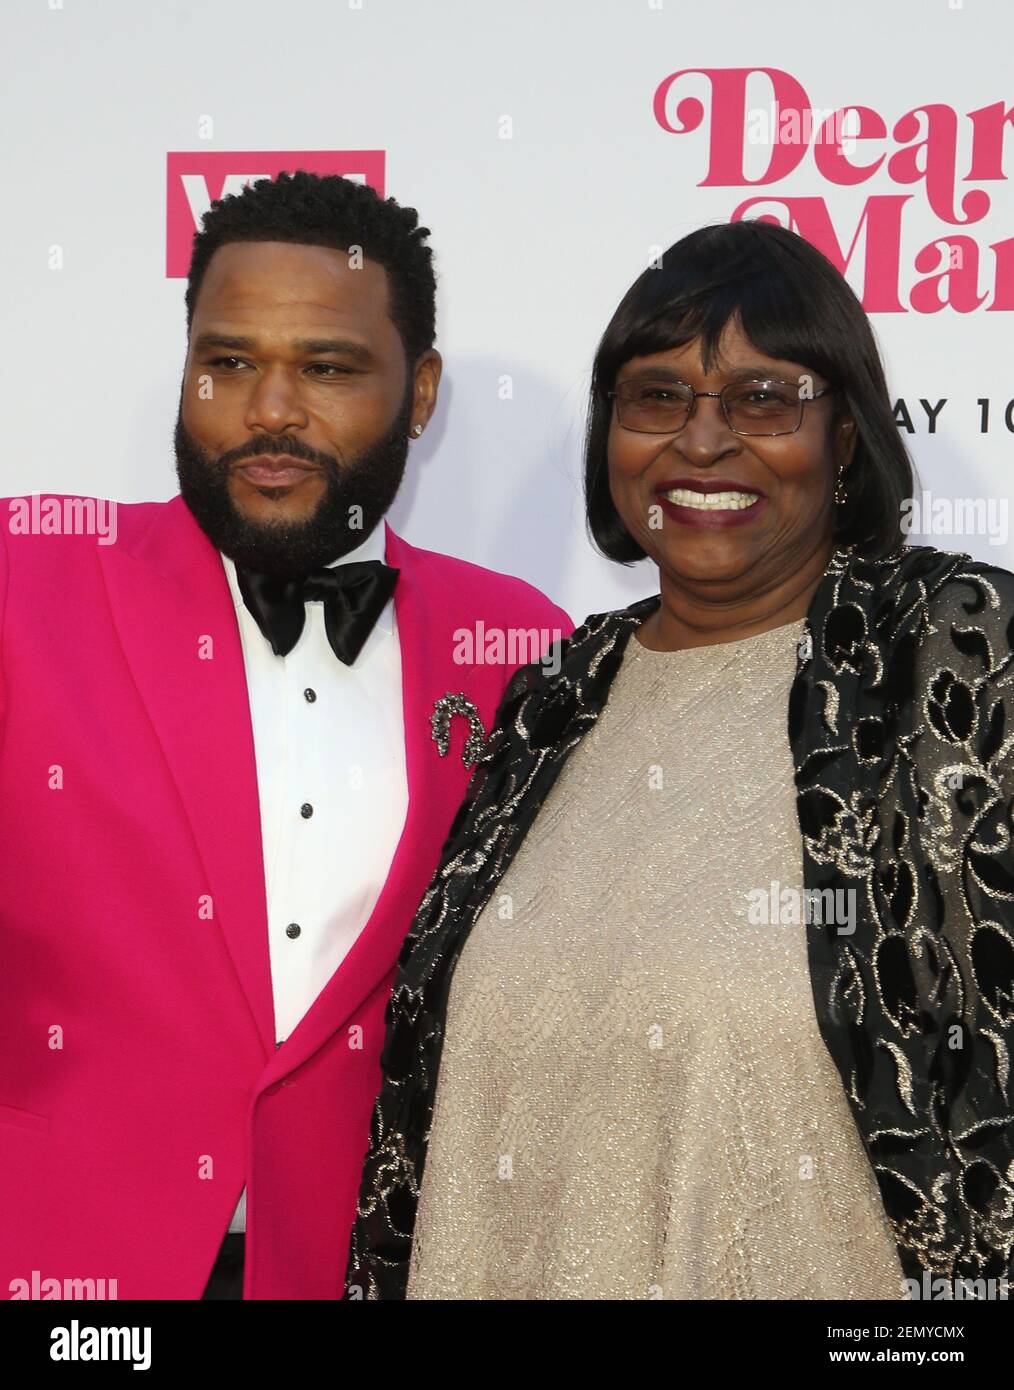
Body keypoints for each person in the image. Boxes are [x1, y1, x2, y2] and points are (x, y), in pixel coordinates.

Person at [345, 219, 1014, 1300]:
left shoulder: (953, 655)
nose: (702, 442)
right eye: (657, 396)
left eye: (764, 399)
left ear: (845, 436)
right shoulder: (551, 702)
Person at [0, 171, 570, 1300]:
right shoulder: (26, 577)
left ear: (421, 393)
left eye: (327, 367)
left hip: (374, 1265)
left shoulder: (520, 642)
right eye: (228, 363)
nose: (268, 410)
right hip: (65, 1267)